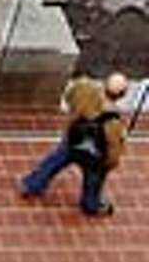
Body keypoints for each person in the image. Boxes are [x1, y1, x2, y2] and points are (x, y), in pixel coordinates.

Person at [19, 71, 129, 215]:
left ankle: (32, 185)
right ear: (122, 95)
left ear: (104, 84)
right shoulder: (115, 123)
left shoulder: (85, 91)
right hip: (93, 158)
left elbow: (69, 96)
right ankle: (91, 205)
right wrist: (109, 164)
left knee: (54, 161)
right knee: (94, 181)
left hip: (73, 140)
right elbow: (113, 151)